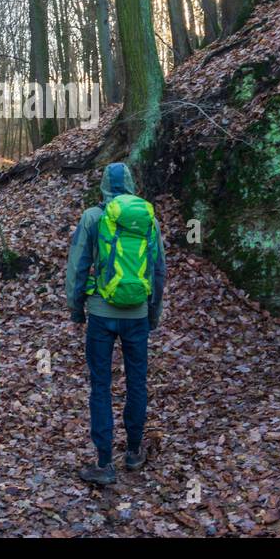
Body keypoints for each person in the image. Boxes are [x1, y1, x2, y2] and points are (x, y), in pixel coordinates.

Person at [66, 162, 166, 486]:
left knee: (101, 386)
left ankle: (104, 463)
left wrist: (76, 307)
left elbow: (77, 267)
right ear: (133, 184)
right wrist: (153, 313)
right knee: (137, 383)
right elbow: (158, 270)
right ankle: (135, 452)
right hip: (137, 315)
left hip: (101, 315)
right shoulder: (148, 218)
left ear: (103, 186)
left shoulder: (93, 217)